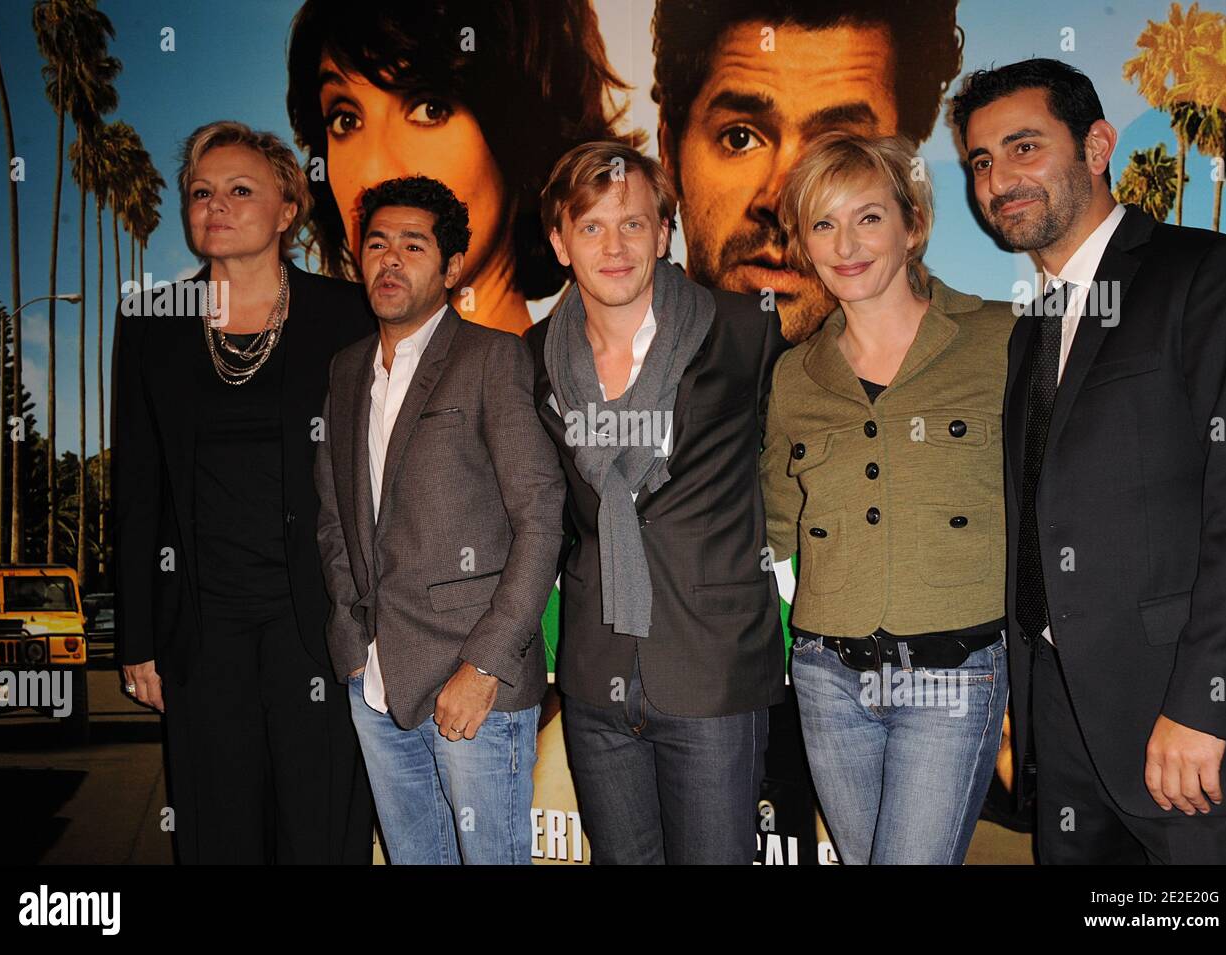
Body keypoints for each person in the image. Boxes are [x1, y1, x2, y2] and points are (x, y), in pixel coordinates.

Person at [952, 58, 1226, 864]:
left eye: (1024, 147)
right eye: (981, 162)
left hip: (1189, 729)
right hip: (1063, 737)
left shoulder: (1208, 278)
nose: (998, 180)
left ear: (1097, 146)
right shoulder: (1031, 333)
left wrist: (1204, 706)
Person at [113, 121, 375, 864]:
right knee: (216, 833)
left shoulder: (347, 315)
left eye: (238, 190)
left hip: (318, 627)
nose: (215, 206)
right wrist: (136, 637)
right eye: (201, 192)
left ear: (288, 208)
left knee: (320, 831)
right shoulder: (148, 321)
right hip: (201, 632)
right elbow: (136, 486)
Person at [526, 140, 788, 864]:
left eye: (633, 224)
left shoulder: (743, 329)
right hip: (593, 669)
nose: (615, 247)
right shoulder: (534, 357)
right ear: (559, 241)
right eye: (591, 227)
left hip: (714, 667)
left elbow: (792, 458)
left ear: (664, 231)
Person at [760, 132, 1012, 864]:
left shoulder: (999, 339)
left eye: (868, 217)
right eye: (823, 224)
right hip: (826, 677)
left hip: (953, 672)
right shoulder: (795, 376)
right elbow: (779, 523)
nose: (847, 244)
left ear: (913, 225)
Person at [314, 175, 565, 865]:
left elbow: (542, 516)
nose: (389, 260)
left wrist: (484, 663)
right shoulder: (343, 371)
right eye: (376, 243)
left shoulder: (491, 357)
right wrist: (350, 642)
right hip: (374, 682)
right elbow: (335, 519)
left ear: (452, 267)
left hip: (472, 684)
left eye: (413, 245)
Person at [286, 0, 642, 335]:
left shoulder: (574, 390)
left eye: (429, 109)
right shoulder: (331, 381)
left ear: (521, 135)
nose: (372, 172)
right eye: (346, 120)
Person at [652, 0, 963, 342]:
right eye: (740, 138)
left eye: (837, 149)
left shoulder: (982, 354)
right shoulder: (613, 361)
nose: (783, 203)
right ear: (669, 151)